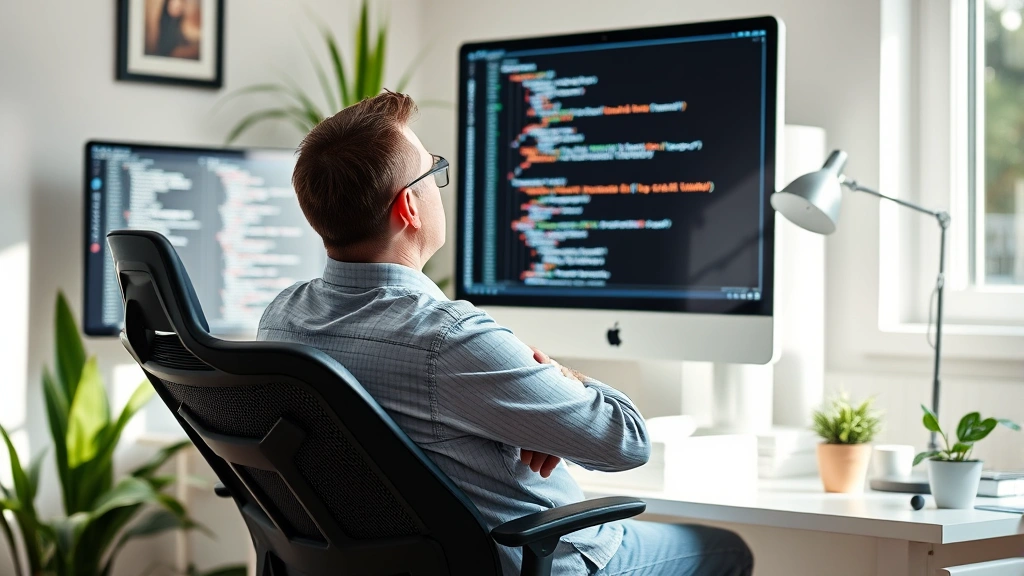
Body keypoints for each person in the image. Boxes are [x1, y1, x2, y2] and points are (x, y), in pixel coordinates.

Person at [257, 90, 754, 576]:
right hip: (547, 560)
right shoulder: (448, 340)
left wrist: (538, 413)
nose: (439, 185)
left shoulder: (280, 320)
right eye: (433, 171)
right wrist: (563, 378)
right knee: (726, 550)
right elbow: (626, 442)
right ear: (408, 207)